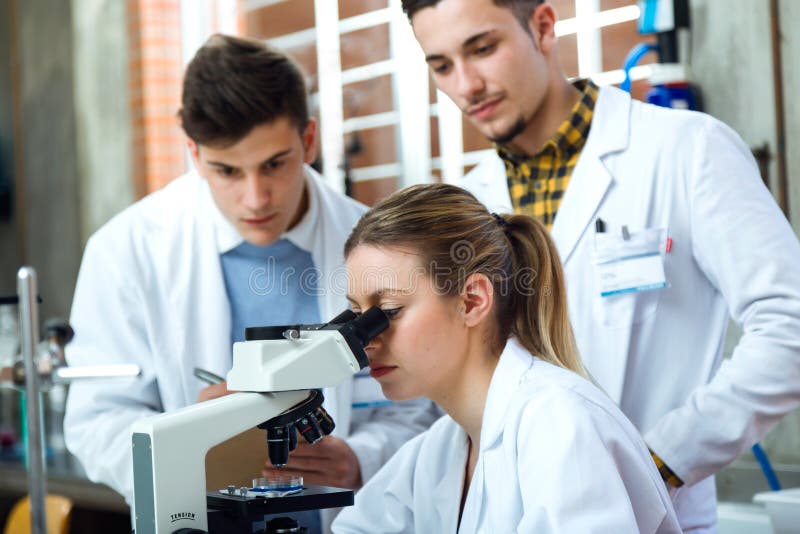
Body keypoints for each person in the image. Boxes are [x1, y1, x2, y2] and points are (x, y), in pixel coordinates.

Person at [400, 0, 800, 531]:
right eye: (442, 65)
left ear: (543, 26)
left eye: (483, 48)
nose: (467, 85)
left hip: (656, 514)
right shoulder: (467, 202)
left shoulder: (686, 150)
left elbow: (790, 324)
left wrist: (660, 460)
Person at [63, 34, 438, 532]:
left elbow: (422, 405)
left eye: (274, 164)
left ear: (308, 140)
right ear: (195, 154)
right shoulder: (127, 251)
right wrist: (184, 440)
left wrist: (360, 459)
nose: (256, 198)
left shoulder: (375, 245)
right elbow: (95, 421)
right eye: (227, 171)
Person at [331, 183, 680, 533]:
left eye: (389, 311)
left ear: (472, 301)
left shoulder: (560, 425)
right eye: (356, 314)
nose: (366, 339)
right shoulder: (440, 449)